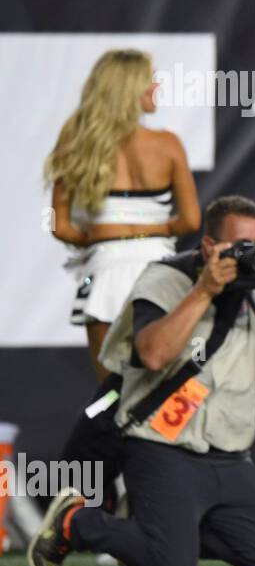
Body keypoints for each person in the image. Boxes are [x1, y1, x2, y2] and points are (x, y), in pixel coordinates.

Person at [27, 195, 255, 566]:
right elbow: (154, 354)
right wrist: (204, 291)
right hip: (163, 445)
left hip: (228, 452)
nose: (251, 254)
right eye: (240, 246)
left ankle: (155, 526)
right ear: (209, 245)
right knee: (170, 564)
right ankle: (77, 521)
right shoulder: (167, 278)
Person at [45, 49, 202, 383]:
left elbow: (56, 224)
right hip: (162, 268)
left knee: (110, 392)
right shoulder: (169, 143)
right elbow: (191, 221)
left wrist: (98, 236)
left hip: (105, 270)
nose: (157, 88)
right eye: (150, 82)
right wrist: (155, 230)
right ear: (131, 89)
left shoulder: (74, 142)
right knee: (167, 388)